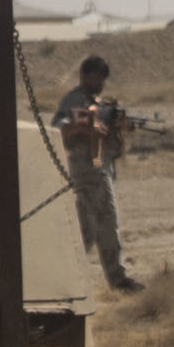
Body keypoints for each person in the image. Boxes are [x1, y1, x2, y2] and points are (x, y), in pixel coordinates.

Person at [53, 56, 145, 294]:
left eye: (103, 78)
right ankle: (117, 279)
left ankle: (67, 278)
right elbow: (60, 130)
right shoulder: (74, 100)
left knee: (87, 230)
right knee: (106, 223)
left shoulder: (98, 103)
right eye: (96, 77)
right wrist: (85, 127)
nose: (100, 82)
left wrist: (119, 125)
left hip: (97, 169)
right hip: (88, 171)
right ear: (84, 75)